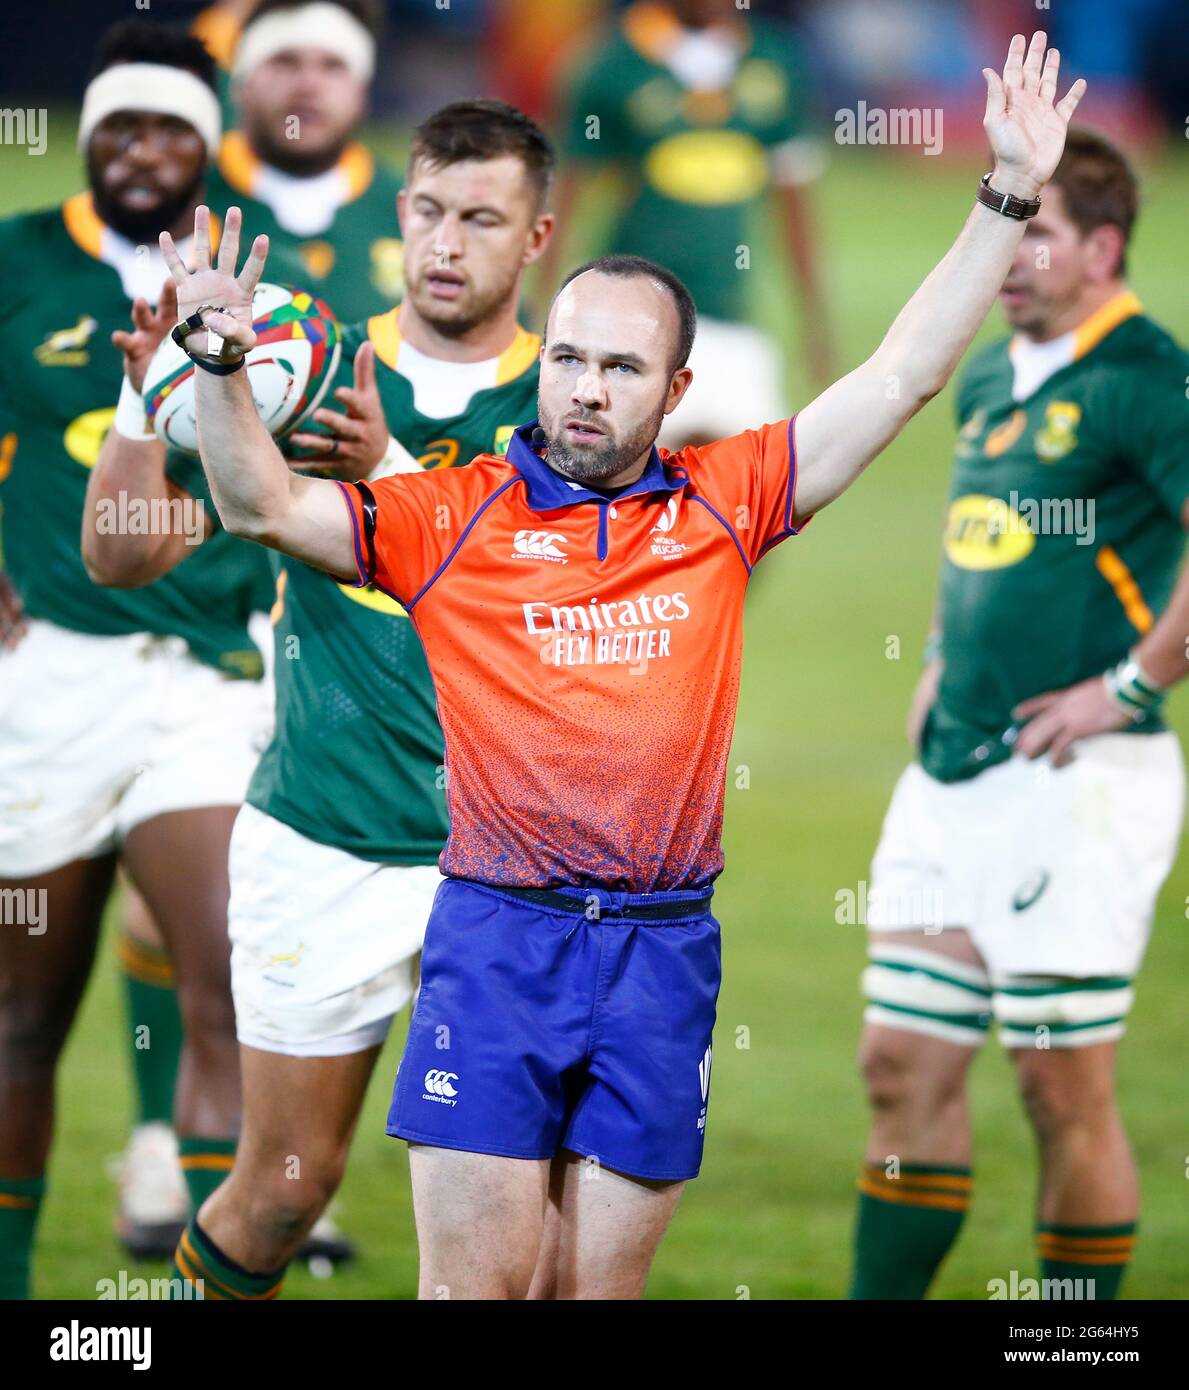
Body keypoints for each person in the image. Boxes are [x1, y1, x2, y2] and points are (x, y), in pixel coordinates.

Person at [157, 32, 1085, 1300]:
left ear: (677, 387)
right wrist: (217, 374)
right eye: (569, 359)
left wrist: (1007, 191)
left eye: (622, 368)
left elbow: (904, 371)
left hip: (660, 950)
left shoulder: (731, 498)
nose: (586, 390)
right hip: (496, 938)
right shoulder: (454, 512)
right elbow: (264, 508)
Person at [83, 99, 556, 1300]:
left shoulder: (573, 403)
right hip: (324, 840)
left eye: (483, 219)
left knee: (524, 1223)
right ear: (400, 214)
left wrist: (388, 477)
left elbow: (542, 609)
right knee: (284, 1187)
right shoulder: (299, 369)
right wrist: (161, 395)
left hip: (507, 867)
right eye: (431, 212)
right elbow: (122, 554)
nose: (449, 242)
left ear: (537, 238)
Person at [852, 128, 1189, 1301]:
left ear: (1102, 247)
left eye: (1035, 232)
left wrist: (1130, 685)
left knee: (1057, 1088)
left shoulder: (1151, 374)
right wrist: (943, 654)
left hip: (1079, 786)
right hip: (953, 773)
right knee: (897, 1063)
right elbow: (982, 535)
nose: (1010, 255)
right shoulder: (992, 371)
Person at [0, 22, 273, 1298]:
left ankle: (188, 1305)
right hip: (45, 680)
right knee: (20, 1022)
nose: (145, 152)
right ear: (88, 137)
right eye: (122, 128)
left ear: (208, 144)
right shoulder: (14, 261)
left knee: (225, 974)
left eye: (171, 128)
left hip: (203, 675)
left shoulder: (263, 283)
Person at [550, 0, 831, 446]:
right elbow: (566, 201)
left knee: (763, 493)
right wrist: (542, 319)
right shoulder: (612, 64)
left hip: (731, 319)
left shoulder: (773, 60)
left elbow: (793, 203)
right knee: (626, 491)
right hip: (634, 324)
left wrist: (815, 324)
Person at [203, 0, 406, 322]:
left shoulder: (417, 215)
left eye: (333, 65)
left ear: (362, 92)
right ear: (241, 87)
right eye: (285, 62)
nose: (308, 85)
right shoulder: (185, 203)